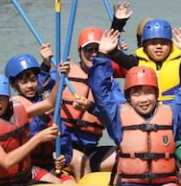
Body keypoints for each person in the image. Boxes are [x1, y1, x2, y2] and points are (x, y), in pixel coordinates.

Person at [89, 29, 181, 186]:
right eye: (136, 94)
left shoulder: (173, 114)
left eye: (148, 92)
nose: (143, 99)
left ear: (156, 94)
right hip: (129, 185)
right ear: (128, 97)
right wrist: (103, 54)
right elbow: (100, 90)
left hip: (166, 185)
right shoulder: (117, 116)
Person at [51, 27, 125, 174]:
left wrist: (92, 107)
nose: (93, 54)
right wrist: (49, 66)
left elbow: (118, 116)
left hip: (91, 149)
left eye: (97, 49)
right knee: (80, 159)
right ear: (80, 52)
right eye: (88, 49)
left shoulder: (110, 84)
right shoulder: (65, 73)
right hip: (63, 146)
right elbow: (41, 94)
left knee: (124, 156)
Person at [4, 49, 84, 181]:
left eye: (33, 80)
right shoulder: (14, 106)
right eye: (24, 82)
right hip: (29, 168)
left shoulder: (47, 104)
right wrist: (53, 71)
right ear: (14, 85)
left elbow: (63, 136)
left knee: (71, 185)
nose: (30, 85)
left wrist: (62, 157)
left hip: (50, 165)